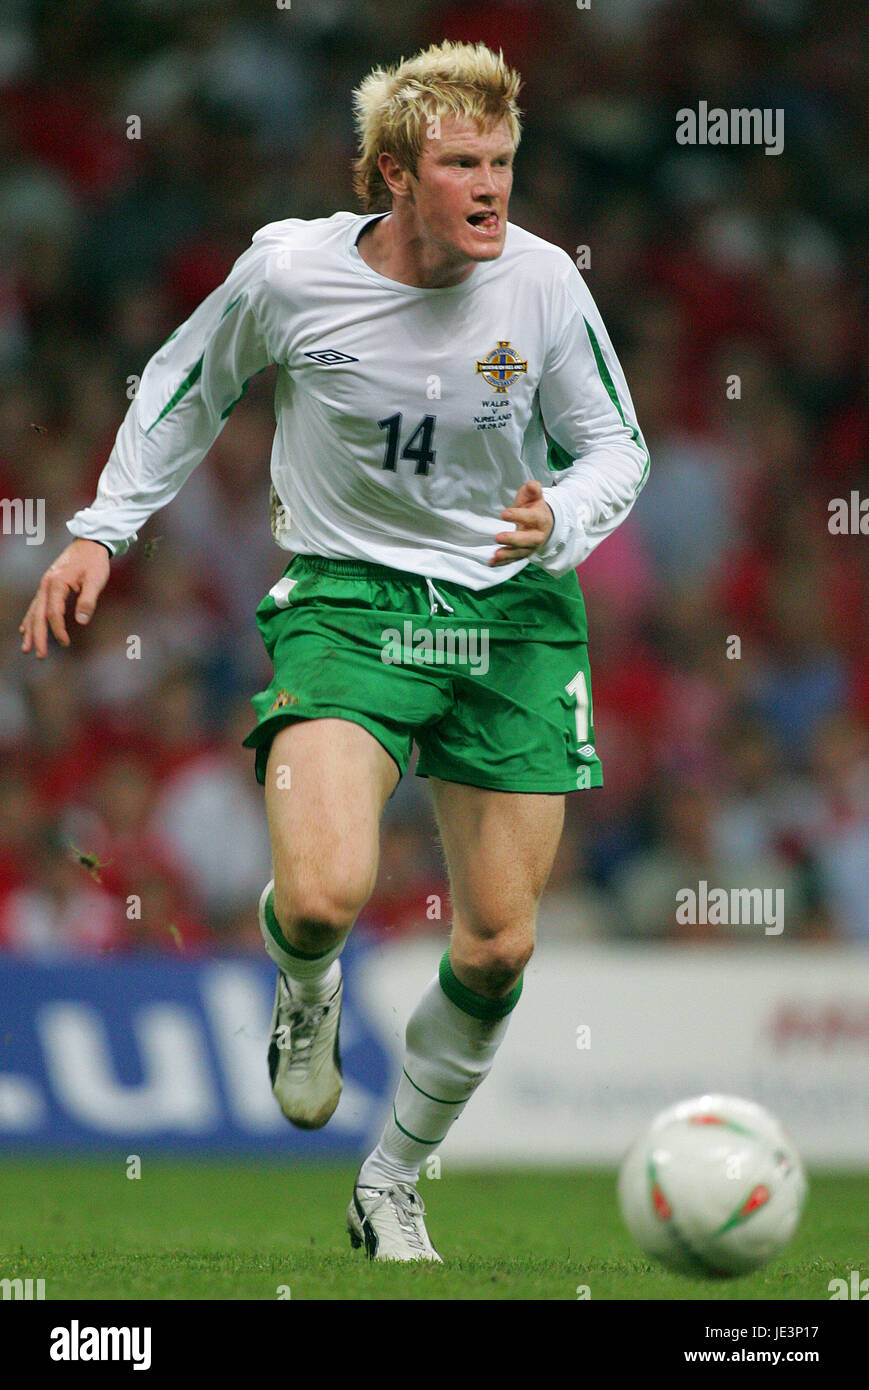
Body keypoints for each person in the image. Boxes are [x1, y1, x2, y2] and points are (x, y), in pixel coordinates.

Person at [19, 41, 649, 1261]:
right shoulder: (291, 271)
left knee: (500, 940)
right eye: (461, 163)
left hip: (509, 613)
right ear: (392, 176)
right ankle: (305, 984)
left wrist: (559, 516)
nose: (490, 187)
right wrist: (102, 529)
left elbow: (614, 448)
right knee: (319, 896)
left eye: (503, 162)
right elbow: (184, 384)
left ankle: (391, 1179)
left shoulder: (541, 287)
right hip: (349, 599)